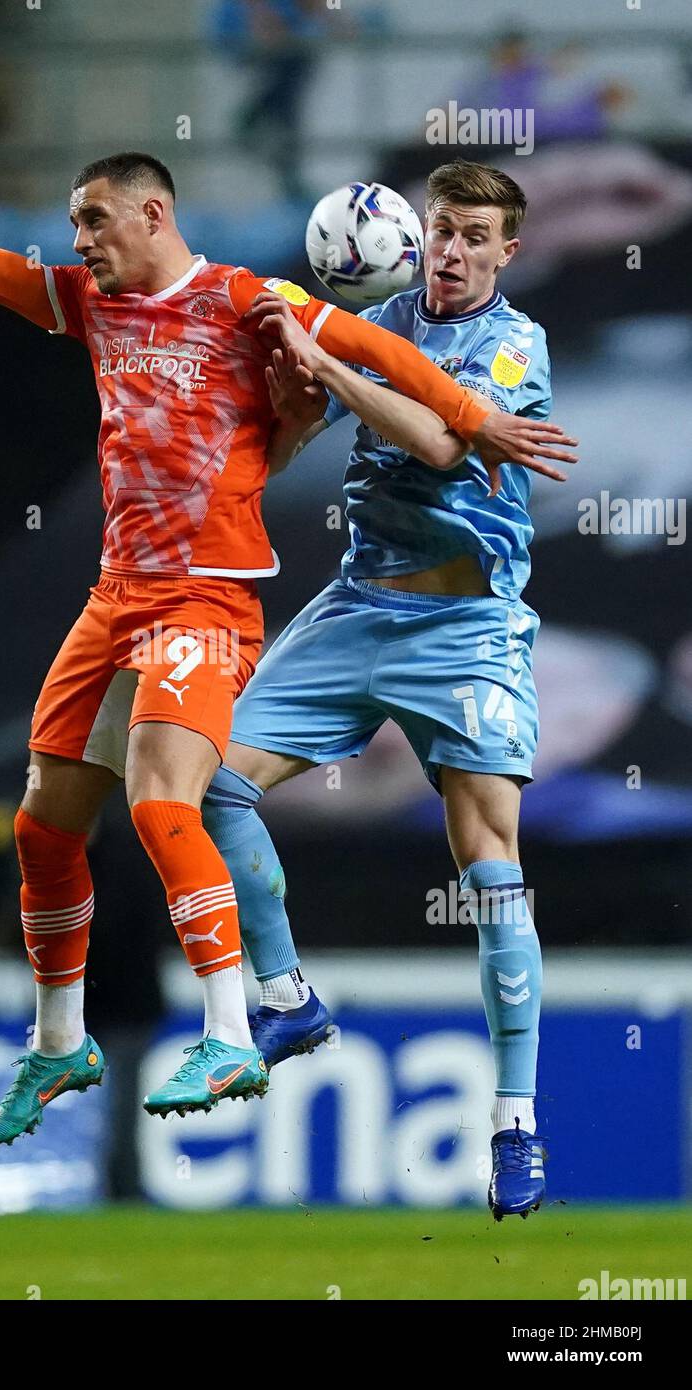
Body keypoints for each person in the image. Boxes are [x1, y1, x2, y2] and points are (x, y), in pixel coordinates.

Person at [0, 108, 574, 1142]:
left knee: (182, 810)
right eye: (441, 229)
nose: (79, 241)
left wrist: (473, 420)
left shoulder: (253, 299)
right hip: (145, 597)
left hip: (284, 603)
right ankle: (72, 1040)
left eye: (94, 219)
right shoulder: (96, 306)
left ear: (154, 213)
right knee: (45, 823)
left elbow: (397, 387)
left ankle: (449, 1095)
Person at [202, 160, 570, 1220]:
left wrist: (332, 360)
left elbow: (445, 443)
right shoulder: (374, 311)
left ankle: (514, 1125)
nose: (453, 251)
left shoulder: (514, 343)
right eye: (442, 230)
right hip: (362, 603)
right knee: (209, 783)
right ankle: (287, 996)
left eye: (475, 236)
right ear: (417, 236)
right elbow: (306, 423)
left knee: (490, 862)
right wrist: (294, 383)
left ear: (506, 252)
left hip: (465, 626)